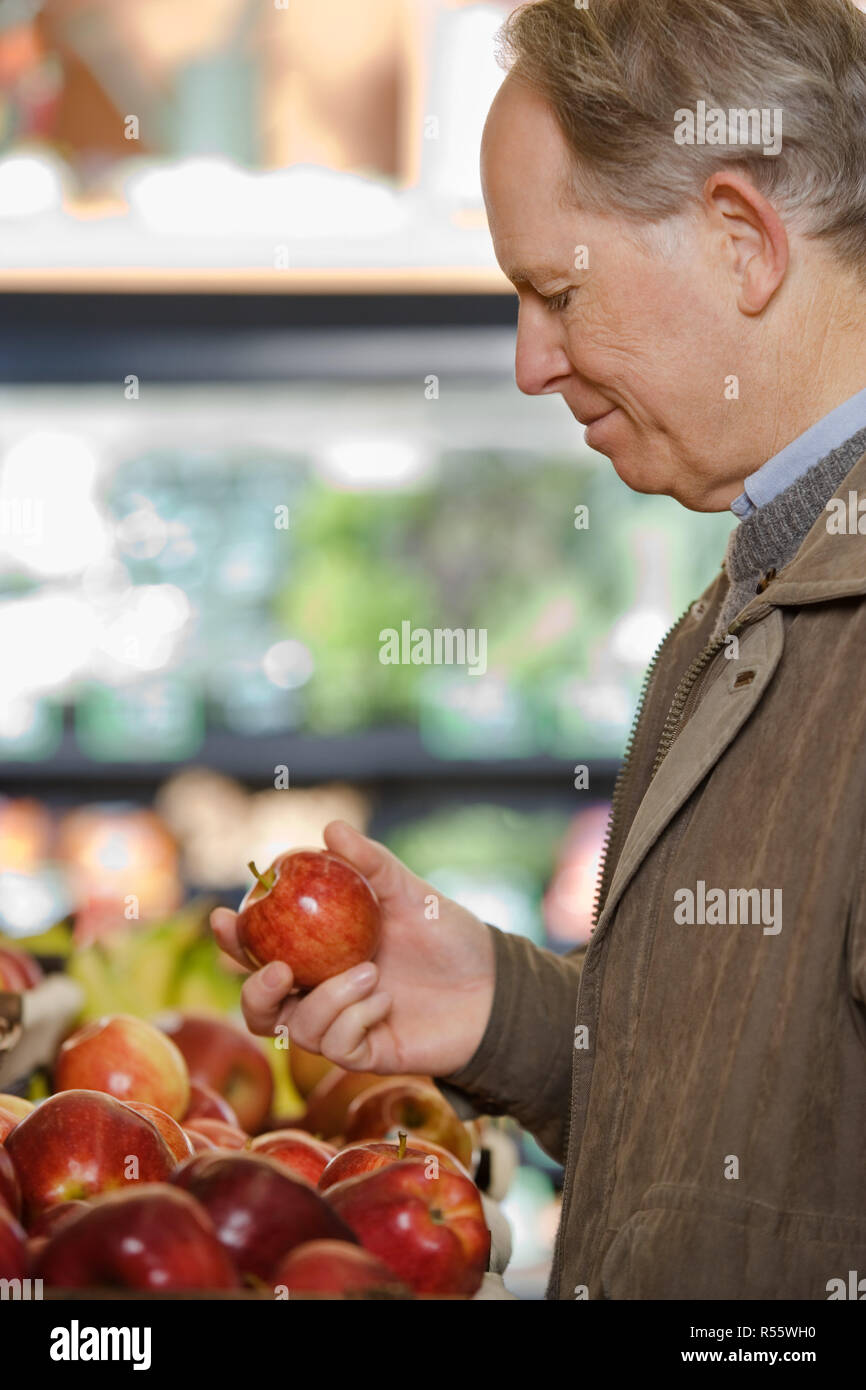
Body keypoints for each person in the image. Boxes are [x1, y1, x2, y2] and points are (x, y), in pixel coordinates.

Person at [212, 0, 866, 1299]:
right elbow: (780, 1140)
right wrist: (510, 1016)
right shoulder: (746, 595)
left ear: (741, 239)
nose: (529, 363)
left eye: (555, 292)